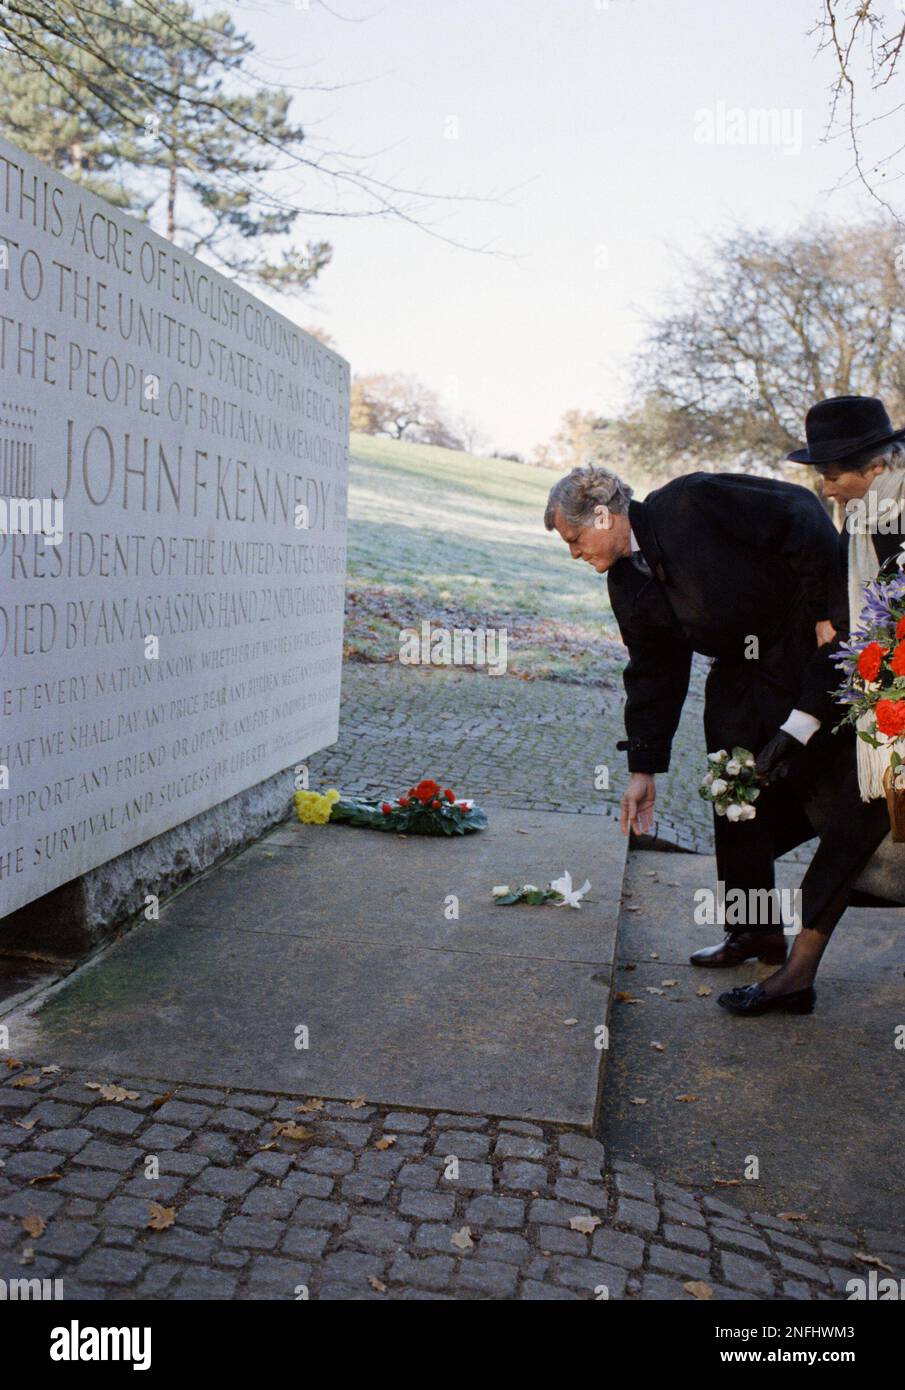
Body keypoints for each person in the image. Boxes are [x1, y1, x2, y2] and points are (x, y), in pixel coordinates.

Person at [545, 463, 844, 994]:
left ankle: (847, 879)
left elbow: (800, 510)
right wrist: (643, 768)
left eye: (573, 539)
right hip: (739, 672)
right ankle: (753, 932)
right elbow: (652, 674)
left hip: (806, 649)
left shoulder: (693, 500)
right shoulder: (625, 583)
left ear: (601, 515)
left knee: (824, 786)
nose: (574, 553)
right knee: (731, 793)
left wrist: (829, 610)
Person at [718, 396, 905, 1017]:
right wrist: (794, 732)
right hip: (882, 716)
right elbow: (852, 645)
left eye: (833, 476)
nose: (826, 491)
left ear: (874, 466)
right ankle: (795, 975)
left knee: (852, 829)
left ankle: (795, 976)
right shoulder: (859, 526)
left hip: (893, 716)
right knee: (848, 826)